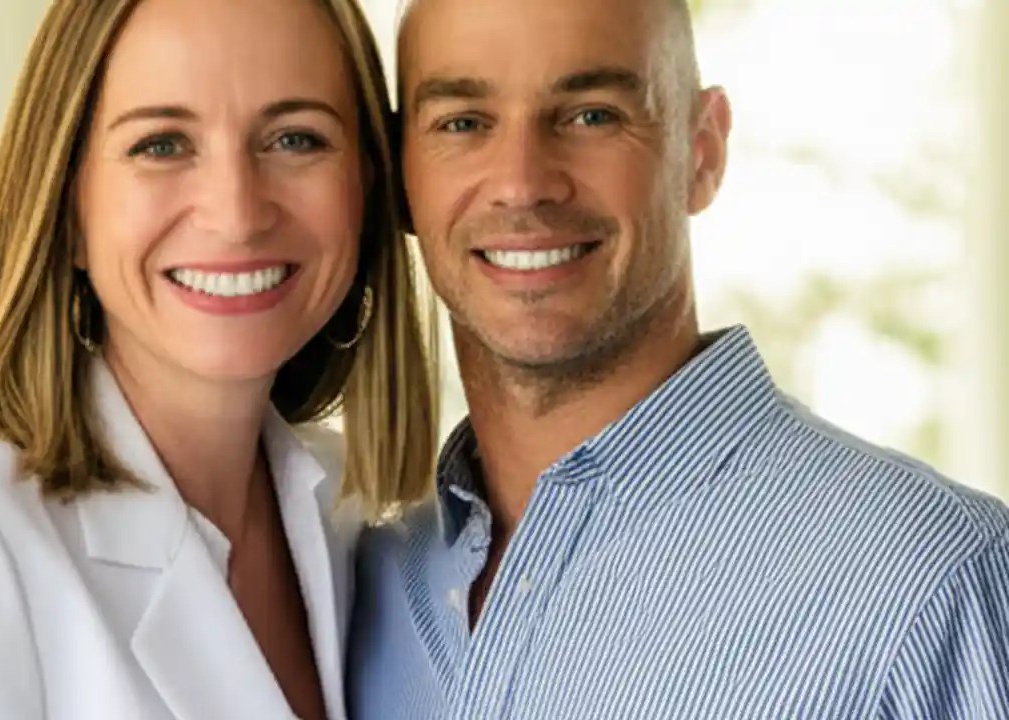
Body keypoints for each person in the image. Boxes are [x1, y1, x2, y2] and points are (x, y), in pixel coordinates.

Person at [348, 0, 1009, 717]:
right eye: (463, 123)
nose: (522, 183)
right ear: (401, 178)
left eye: (592, 114)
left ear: (703, 150)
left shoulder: (929, 577)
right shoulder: (355, 586)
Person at [0, 0, 436, 717]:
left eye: (295, 139)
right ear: (66, 209)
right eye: (161, 145)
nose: (236, 212)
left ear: (369, 188)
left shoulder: (363, 530)